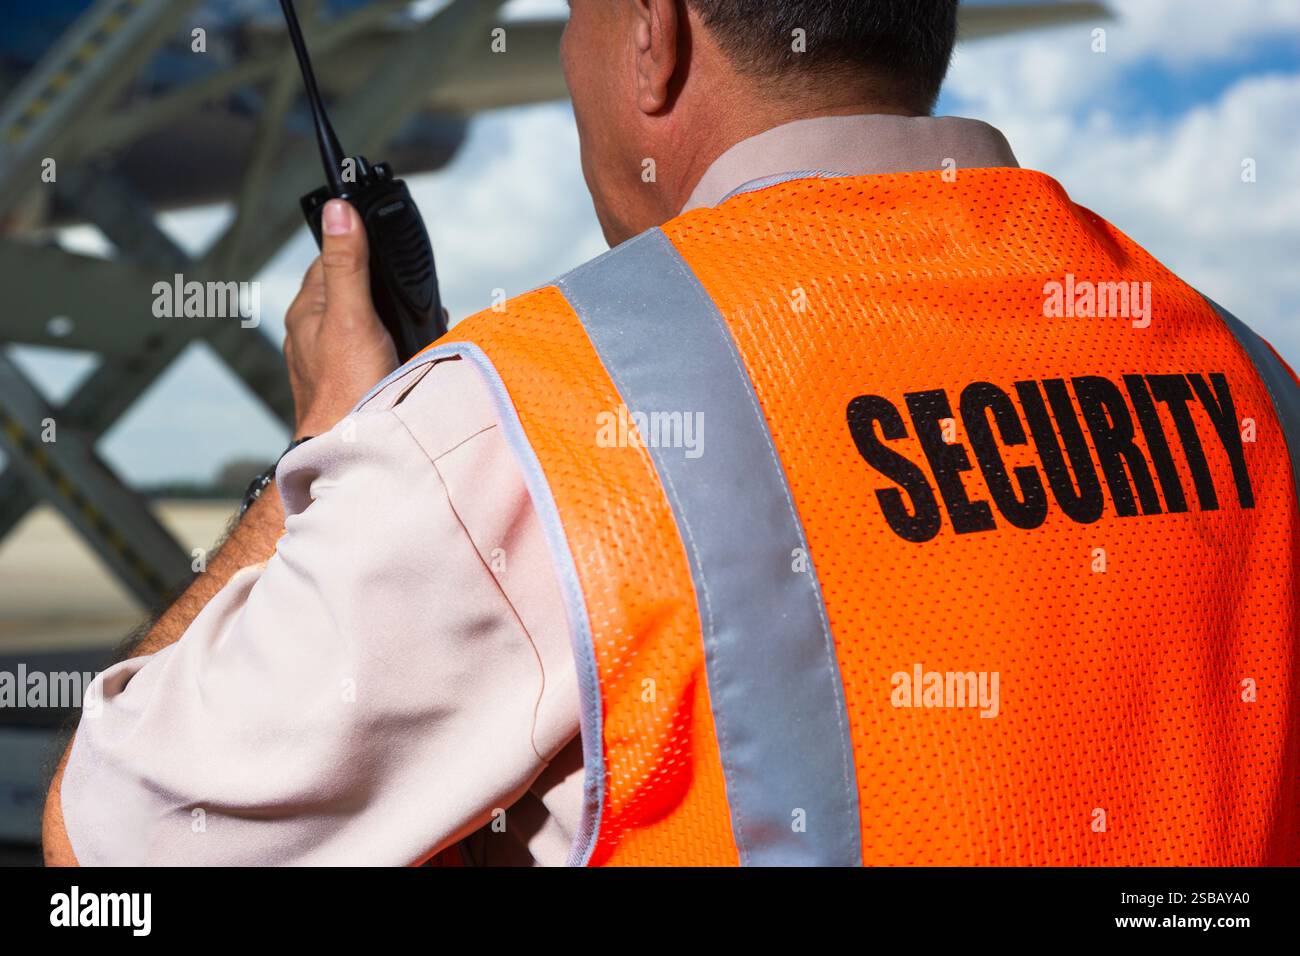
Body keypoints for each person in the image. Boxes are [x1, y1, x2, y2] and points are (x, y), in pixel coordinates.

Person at [44, 0, 1300, 866]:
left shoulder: (524, 417)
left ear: (653, 38)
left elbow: (115, 839)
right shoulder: (1256, 378)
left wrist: (321, 450)